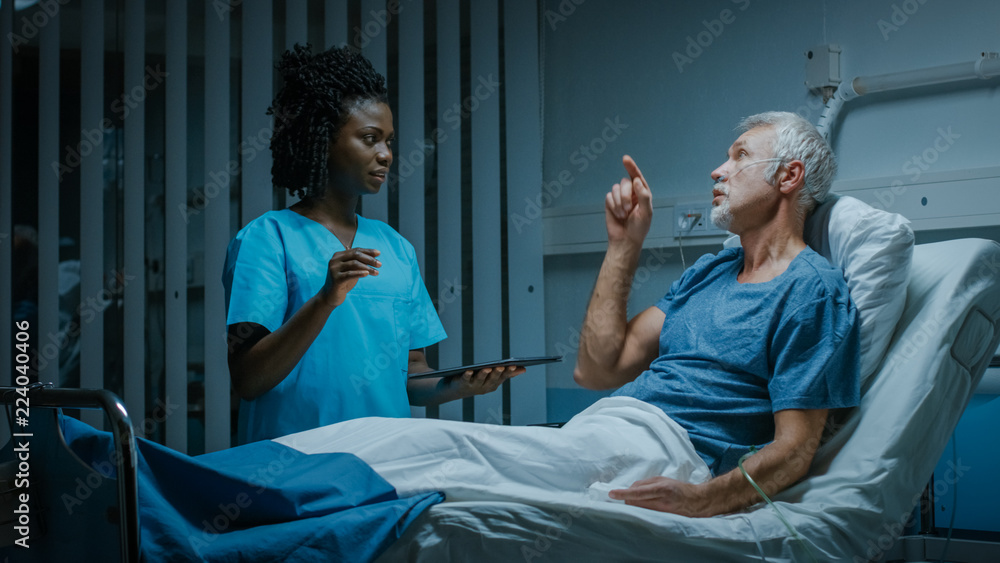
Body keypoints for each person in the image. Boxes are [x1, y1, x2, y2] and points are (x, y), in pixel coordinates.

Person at [223, 45, 522, 444]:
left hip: (382, 465)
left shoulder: (395, 248)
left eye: (389, 141)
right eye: (370, 139)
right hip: (291, 466)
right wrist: (324, 300)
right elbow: (249, 378)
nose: (386, 155)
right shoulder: (266, 239)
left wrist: (462, 386)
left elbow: (412, 374)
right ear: (323, 140)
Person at [573, 111, 860, 516]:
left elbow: (796, 448)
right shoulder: (710, 271)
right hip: (607, 425)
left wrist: (701, 499)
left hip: (670, 450)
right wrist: (624, 244)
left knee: (459, 458)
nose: (717, 171)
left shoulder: (812, 291)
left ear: (788, 177)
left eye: (740, 156)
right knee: (466, 461)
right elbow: (599, 369)